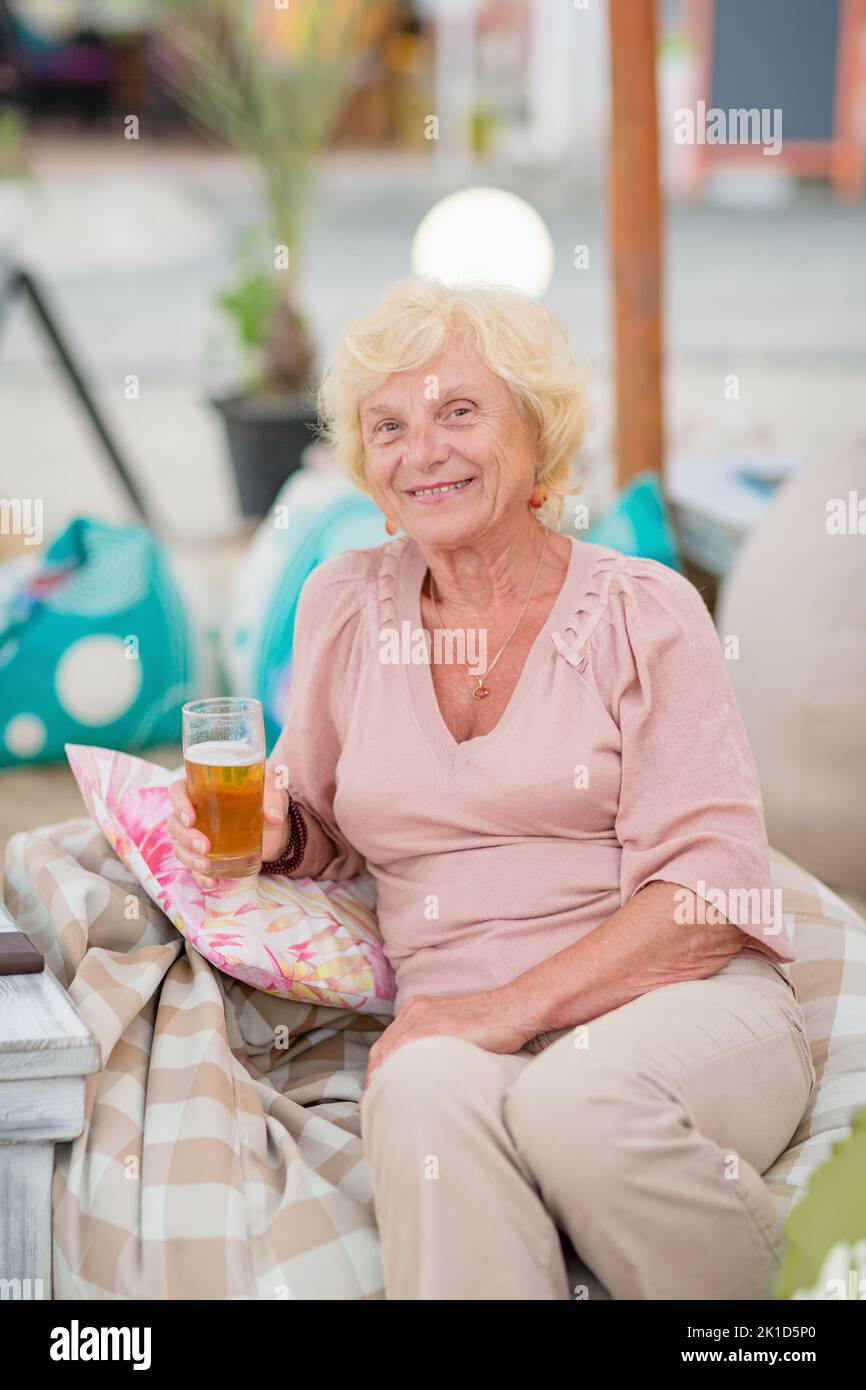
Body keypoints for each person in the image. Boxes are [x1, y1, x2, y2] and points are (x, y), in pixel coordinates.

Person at [167, 276, 815, 1300]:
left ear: (535, 435)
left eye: (457, 411)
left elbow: (709, 899)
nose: (421, 449)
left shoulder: (642, 611)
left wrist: (504, 1010)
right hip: (453, 1019)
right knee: (415, 1088)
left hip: (674, 1003)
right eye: (388, 424)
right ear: (366, 468)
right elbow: (320, 816)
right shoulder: (342, 602)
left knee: (573, 1100)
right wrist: (269, 832)